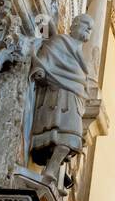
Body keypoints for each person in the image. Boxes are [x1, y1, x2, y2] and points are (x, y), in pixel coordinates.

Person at [30, 15, 95, 186]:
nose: (89, 29)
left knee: (72, 139)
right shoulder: (59, 41)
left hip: (73, 97)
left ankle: (51, 170)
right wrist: (39, 69)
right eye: (86, 25)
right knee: (66, 136)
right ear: (73, 25)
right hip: (56, 93)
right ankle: (50, 170)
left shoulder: (82, 59)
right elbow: (45, 53)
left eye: (91, 28)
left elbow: (82, 79)